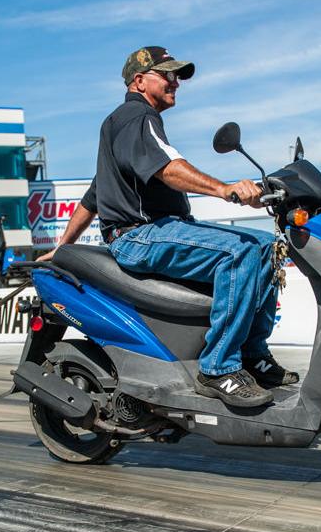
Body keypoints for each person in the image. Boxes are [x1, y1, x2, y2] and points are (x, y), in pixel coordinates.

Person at [37, 46, 297, 408]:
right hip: (141, 235)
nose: (176, 82)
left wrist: (63, 246)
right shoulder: (135, 117)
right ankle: (219, 367)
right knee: (241, 252)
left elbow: (94, 195)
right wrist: (224, 189)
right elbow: (169, 168)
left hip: (154, 231)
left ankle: (253, 355)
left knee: (267, 247)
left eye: (177, 76)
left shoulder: (127, 126)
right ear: (139, 81)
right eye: (168, 75)